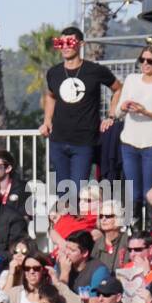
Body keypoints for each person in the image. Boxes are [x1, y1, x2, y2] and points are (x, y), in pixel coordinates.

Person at [40, 25, 121, 190]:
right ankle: (65, 216)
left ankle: (76, 214)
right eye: (60, 43)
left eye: (70, 42)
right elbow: (50, 95)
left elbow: (118, 88)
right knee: (63, 192)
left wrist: (112, 116)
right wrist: (47, 120)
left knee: (76, 191)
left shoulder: (95, 70)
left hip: (84, 141)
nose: (65, 47)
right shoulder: (54, 73)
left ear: (81, 44)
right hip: (58, 141)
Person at [111, 44, 152, 201]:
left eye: (150, 61)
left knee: (150, 191)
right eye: (142, 60)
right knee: (133, 192)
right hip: (129, 143)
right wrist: (124, 107)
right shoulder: (131, 79)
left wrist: (145, 112)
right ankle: (135, 224)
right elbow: (118, 112)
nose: (145, 64)